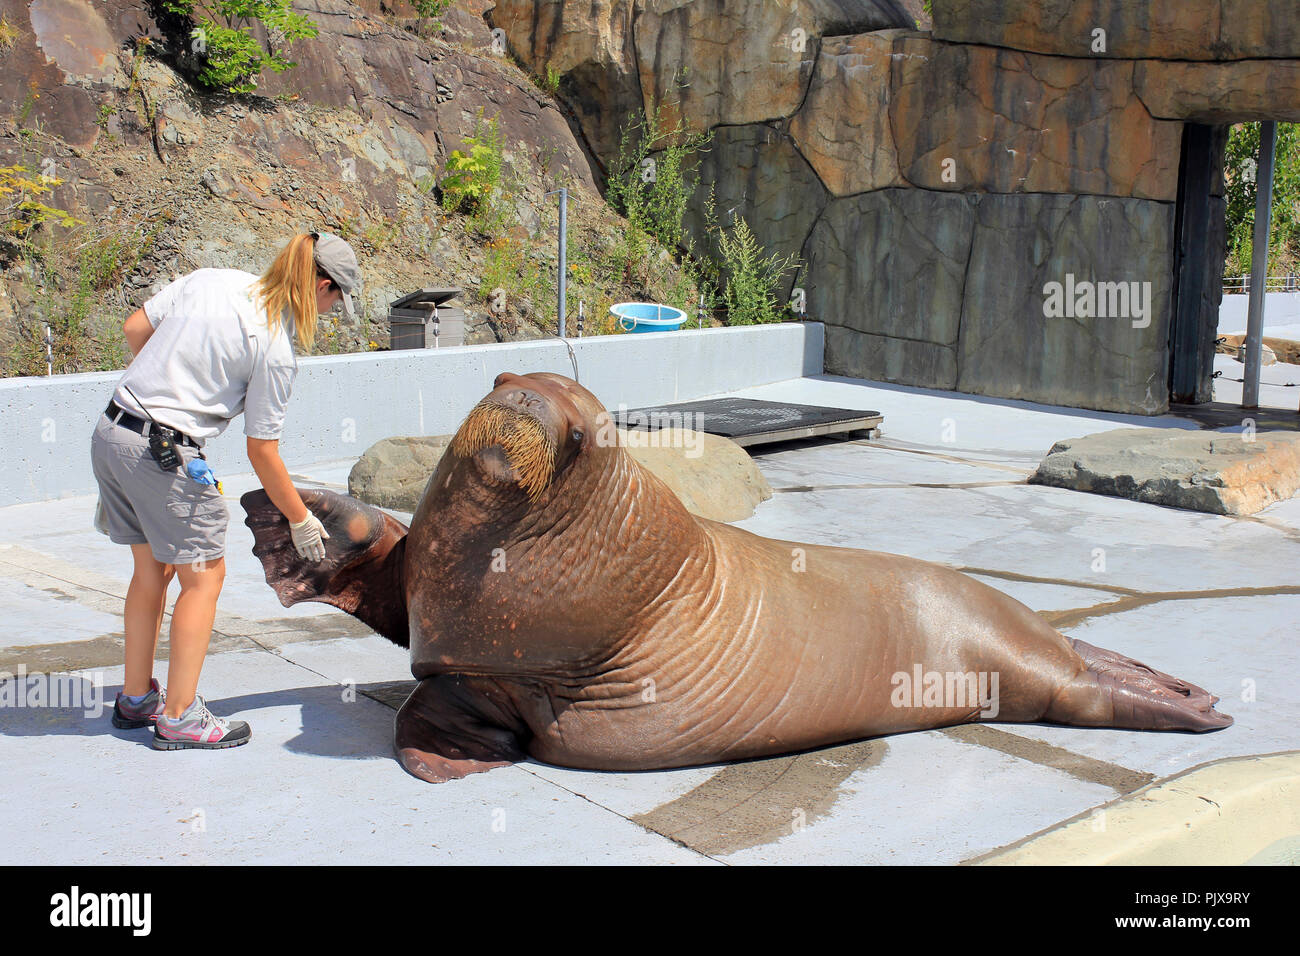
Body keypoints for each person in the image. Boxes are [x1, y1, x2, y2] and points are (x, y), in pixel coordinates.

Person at [89, 231, 360, 750]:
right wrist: (300, 518)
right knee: (205, 576)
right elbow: (263, 451)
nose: (331, 311)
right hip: (161, 452)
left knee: (152, 571)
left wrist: (168, 390)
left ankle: (135, 697)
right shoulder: (275, 348)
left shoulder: (212, 280)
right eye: (335, 300)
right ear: (321, 285)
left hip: (112, 432)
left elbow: (134, 328)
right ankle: (180, 717)